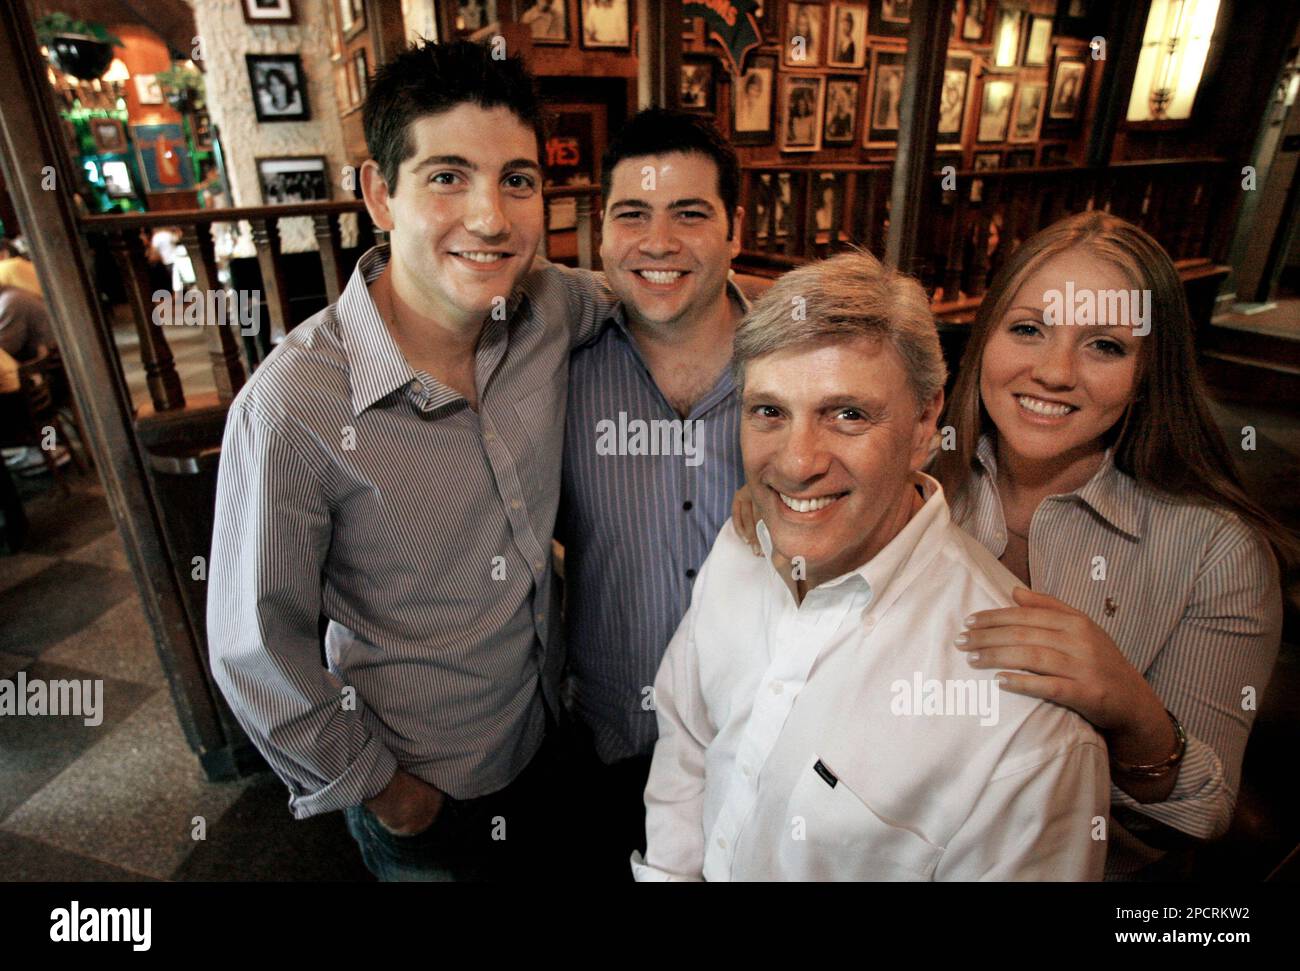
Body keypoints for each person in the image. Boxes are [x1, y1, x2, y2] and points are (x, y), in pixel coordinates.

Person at [733, 212, 1290, 880]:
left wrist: (1133, 712)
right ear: (986, 337)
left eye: (1104, 345)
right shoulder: (902, 474)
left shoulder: (1218, 555)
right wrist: (785, 504)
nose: (1054, 371)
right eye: (1028, 329)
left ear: (1150, 369)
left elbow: (1207, 811)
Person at [207, 40, 616, 883]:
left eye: (518, 179)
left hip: (548, 733)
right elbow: (254, 649)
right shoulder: (293, 406)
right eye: (446, 176)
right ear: (378, 194)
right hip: (429, 793)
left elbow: (659, 295)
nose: (493, 217)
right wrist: (389, 792)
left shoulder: (546, 308)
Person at [640, 250, 1109, 881]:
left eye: (848, 414)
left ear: (923, 421)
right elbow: (689, 735)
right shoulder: (742, 540)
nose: (798, 463)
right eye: (770, 412)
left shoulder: (1024, 727)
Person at [559, 109, 747, 878]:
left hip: (764, 734)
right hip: (611, 739)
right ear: (601, 234)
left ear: (736, 228)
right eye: (632, 214)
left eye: (690, 214)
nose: (659, 242)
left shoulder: (800, 361)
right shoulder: (553, 365)